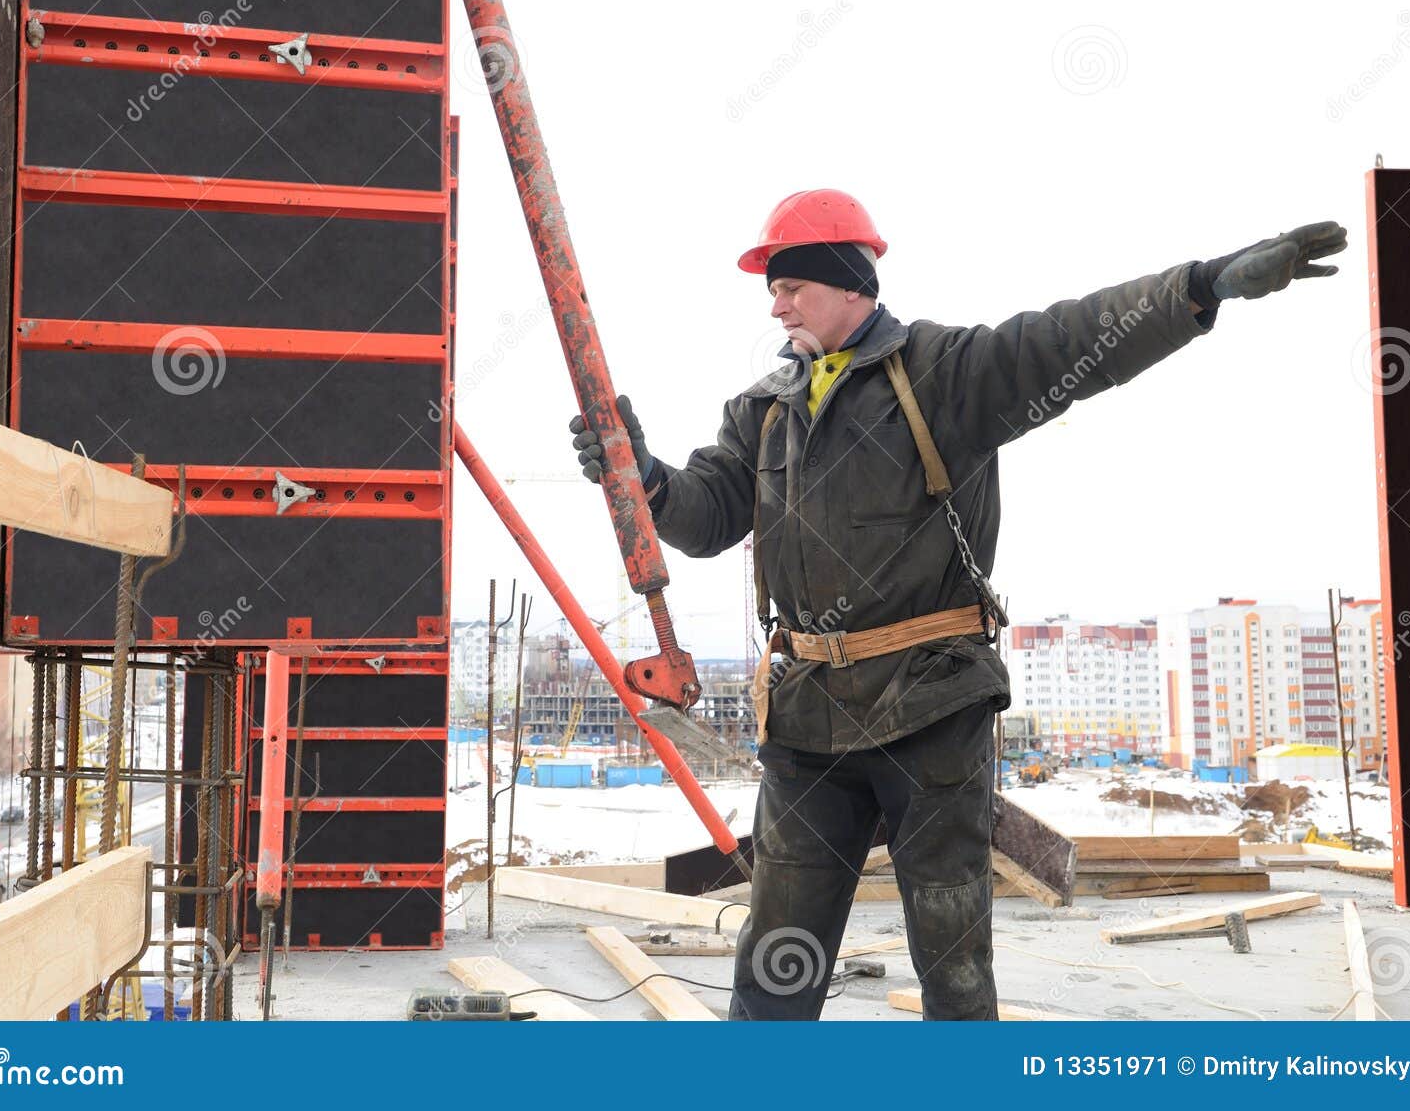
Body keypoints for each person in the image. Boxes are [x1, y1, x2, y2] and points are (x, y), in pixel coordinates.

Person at [571, 189, 1345, 1019]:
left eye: (791, 282)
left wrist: (1201, 286)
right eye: (772, 286)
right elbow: (706, 514)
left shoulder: (943, 374)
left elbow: (1072, 339)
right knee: (774, 969)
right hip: (808, 722)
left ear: (849, 283)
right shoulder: (764, 411)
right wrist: (644, 478)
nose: (776, 302)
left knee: (952, 964)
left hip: (931, 708)